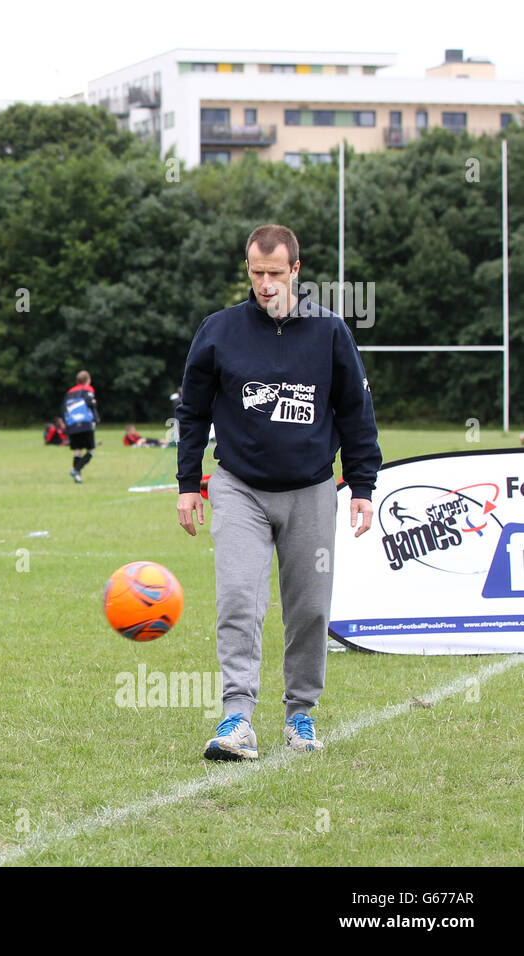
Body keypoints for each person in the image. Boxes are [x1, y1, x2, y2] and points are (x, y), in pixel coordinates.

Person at [175, 223, 379, 762]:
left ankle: (301, 715)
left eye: (274, 273)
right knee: (239, 599)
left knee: (310, 608)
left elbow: (356, 412)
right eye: (255, 272)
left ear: (295, 270)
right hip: (239, 487)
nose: (264, 283)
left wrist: (362, 484)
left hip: (311, 489)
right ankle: (237, 718)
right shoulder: (218, 331)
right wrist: (186, 484)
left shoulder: (329, 331)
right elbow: (192, 412)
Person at [62, 370, 98, 483]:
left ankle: (78, 477)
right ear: (88, 380)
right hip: (85, 423)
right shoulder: (88, 389)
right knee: (91, 449)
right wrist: (96, 416)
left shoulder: (69, 392)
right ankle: (76, 470)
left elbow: (64, 408)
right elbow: (90, 403)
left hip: (72, 423)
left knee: (77, 450)